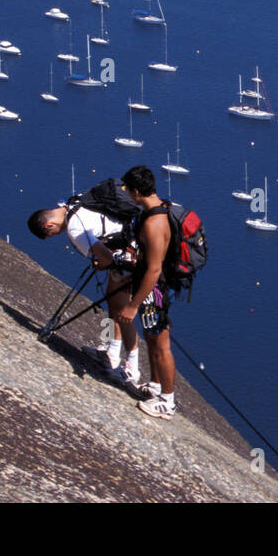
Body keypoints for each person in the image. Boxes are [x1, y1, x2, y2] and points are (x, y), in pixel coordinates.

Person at [26, 199, 142, 386]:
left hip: (130, 251)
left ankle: (132, 368)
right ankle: (112, 353)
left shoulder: (74, 230)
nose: (57, 235)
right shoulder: (74, 202)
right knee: (114, 303)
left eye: (52, 233)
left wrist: (101, 262)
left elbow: (106, 258)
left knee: (122, 311)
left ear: (49, 224)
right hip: (130, 239)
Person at [117, 165, 178, 419]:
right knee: (152, 339)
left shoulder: (154, 223)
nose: (128, 196)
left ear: (136, 191)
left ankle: (167, 401)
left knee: (161, 344)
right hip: (153, 288)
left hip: (154, 291)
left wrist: (132, 306)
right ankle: (155, 386)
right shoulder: (160, 208)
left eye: (129, 192)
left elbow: (154, 270)